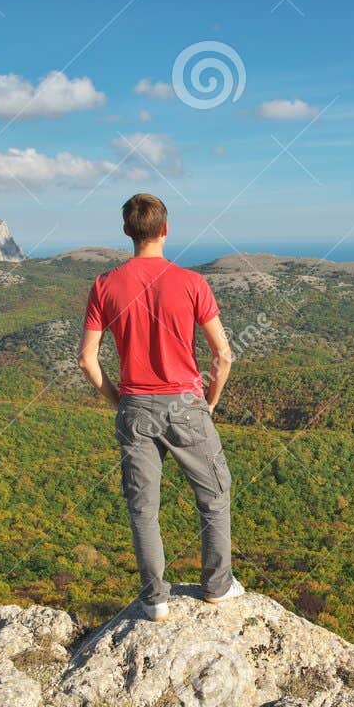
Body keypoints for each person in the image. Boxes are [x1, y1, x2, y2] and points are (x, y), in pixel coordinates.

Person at [77, 193, 241, 621]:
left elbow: (86, 360)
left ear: (128, 231)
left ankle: (155, 600)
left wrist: (118, 400)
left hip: (135, 408)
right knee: (214, 497)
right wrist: (210, 400)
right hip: (186, 404)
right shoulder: (191, 283)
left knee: (143, 508)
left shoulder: (103, 285)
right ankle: (217, 586)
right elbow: (223, 355)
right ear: (165, 230)